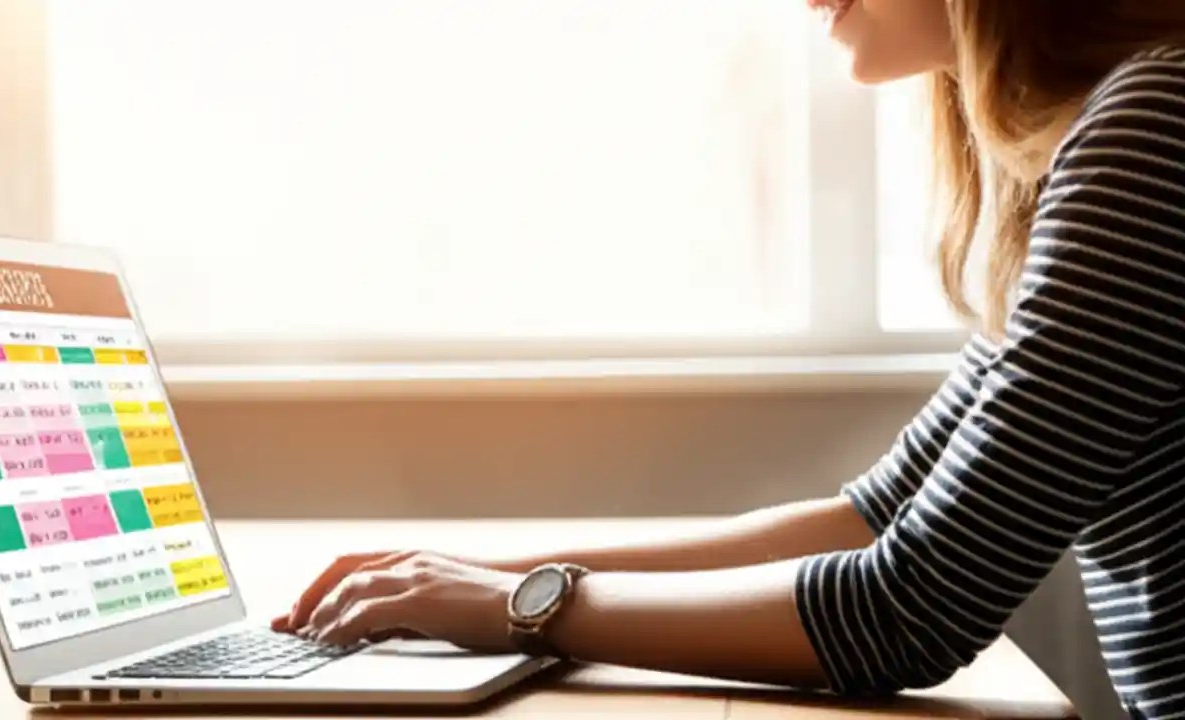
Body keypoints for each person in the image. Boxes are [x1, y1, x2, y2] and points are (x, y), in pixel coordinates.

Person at [272, 2, 1185, 717]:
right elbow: (868, 521)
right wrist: (473, 575)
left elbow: (908, 610)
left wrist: (519, 608)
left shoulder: (1151, 130)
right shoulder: (1108, 133)